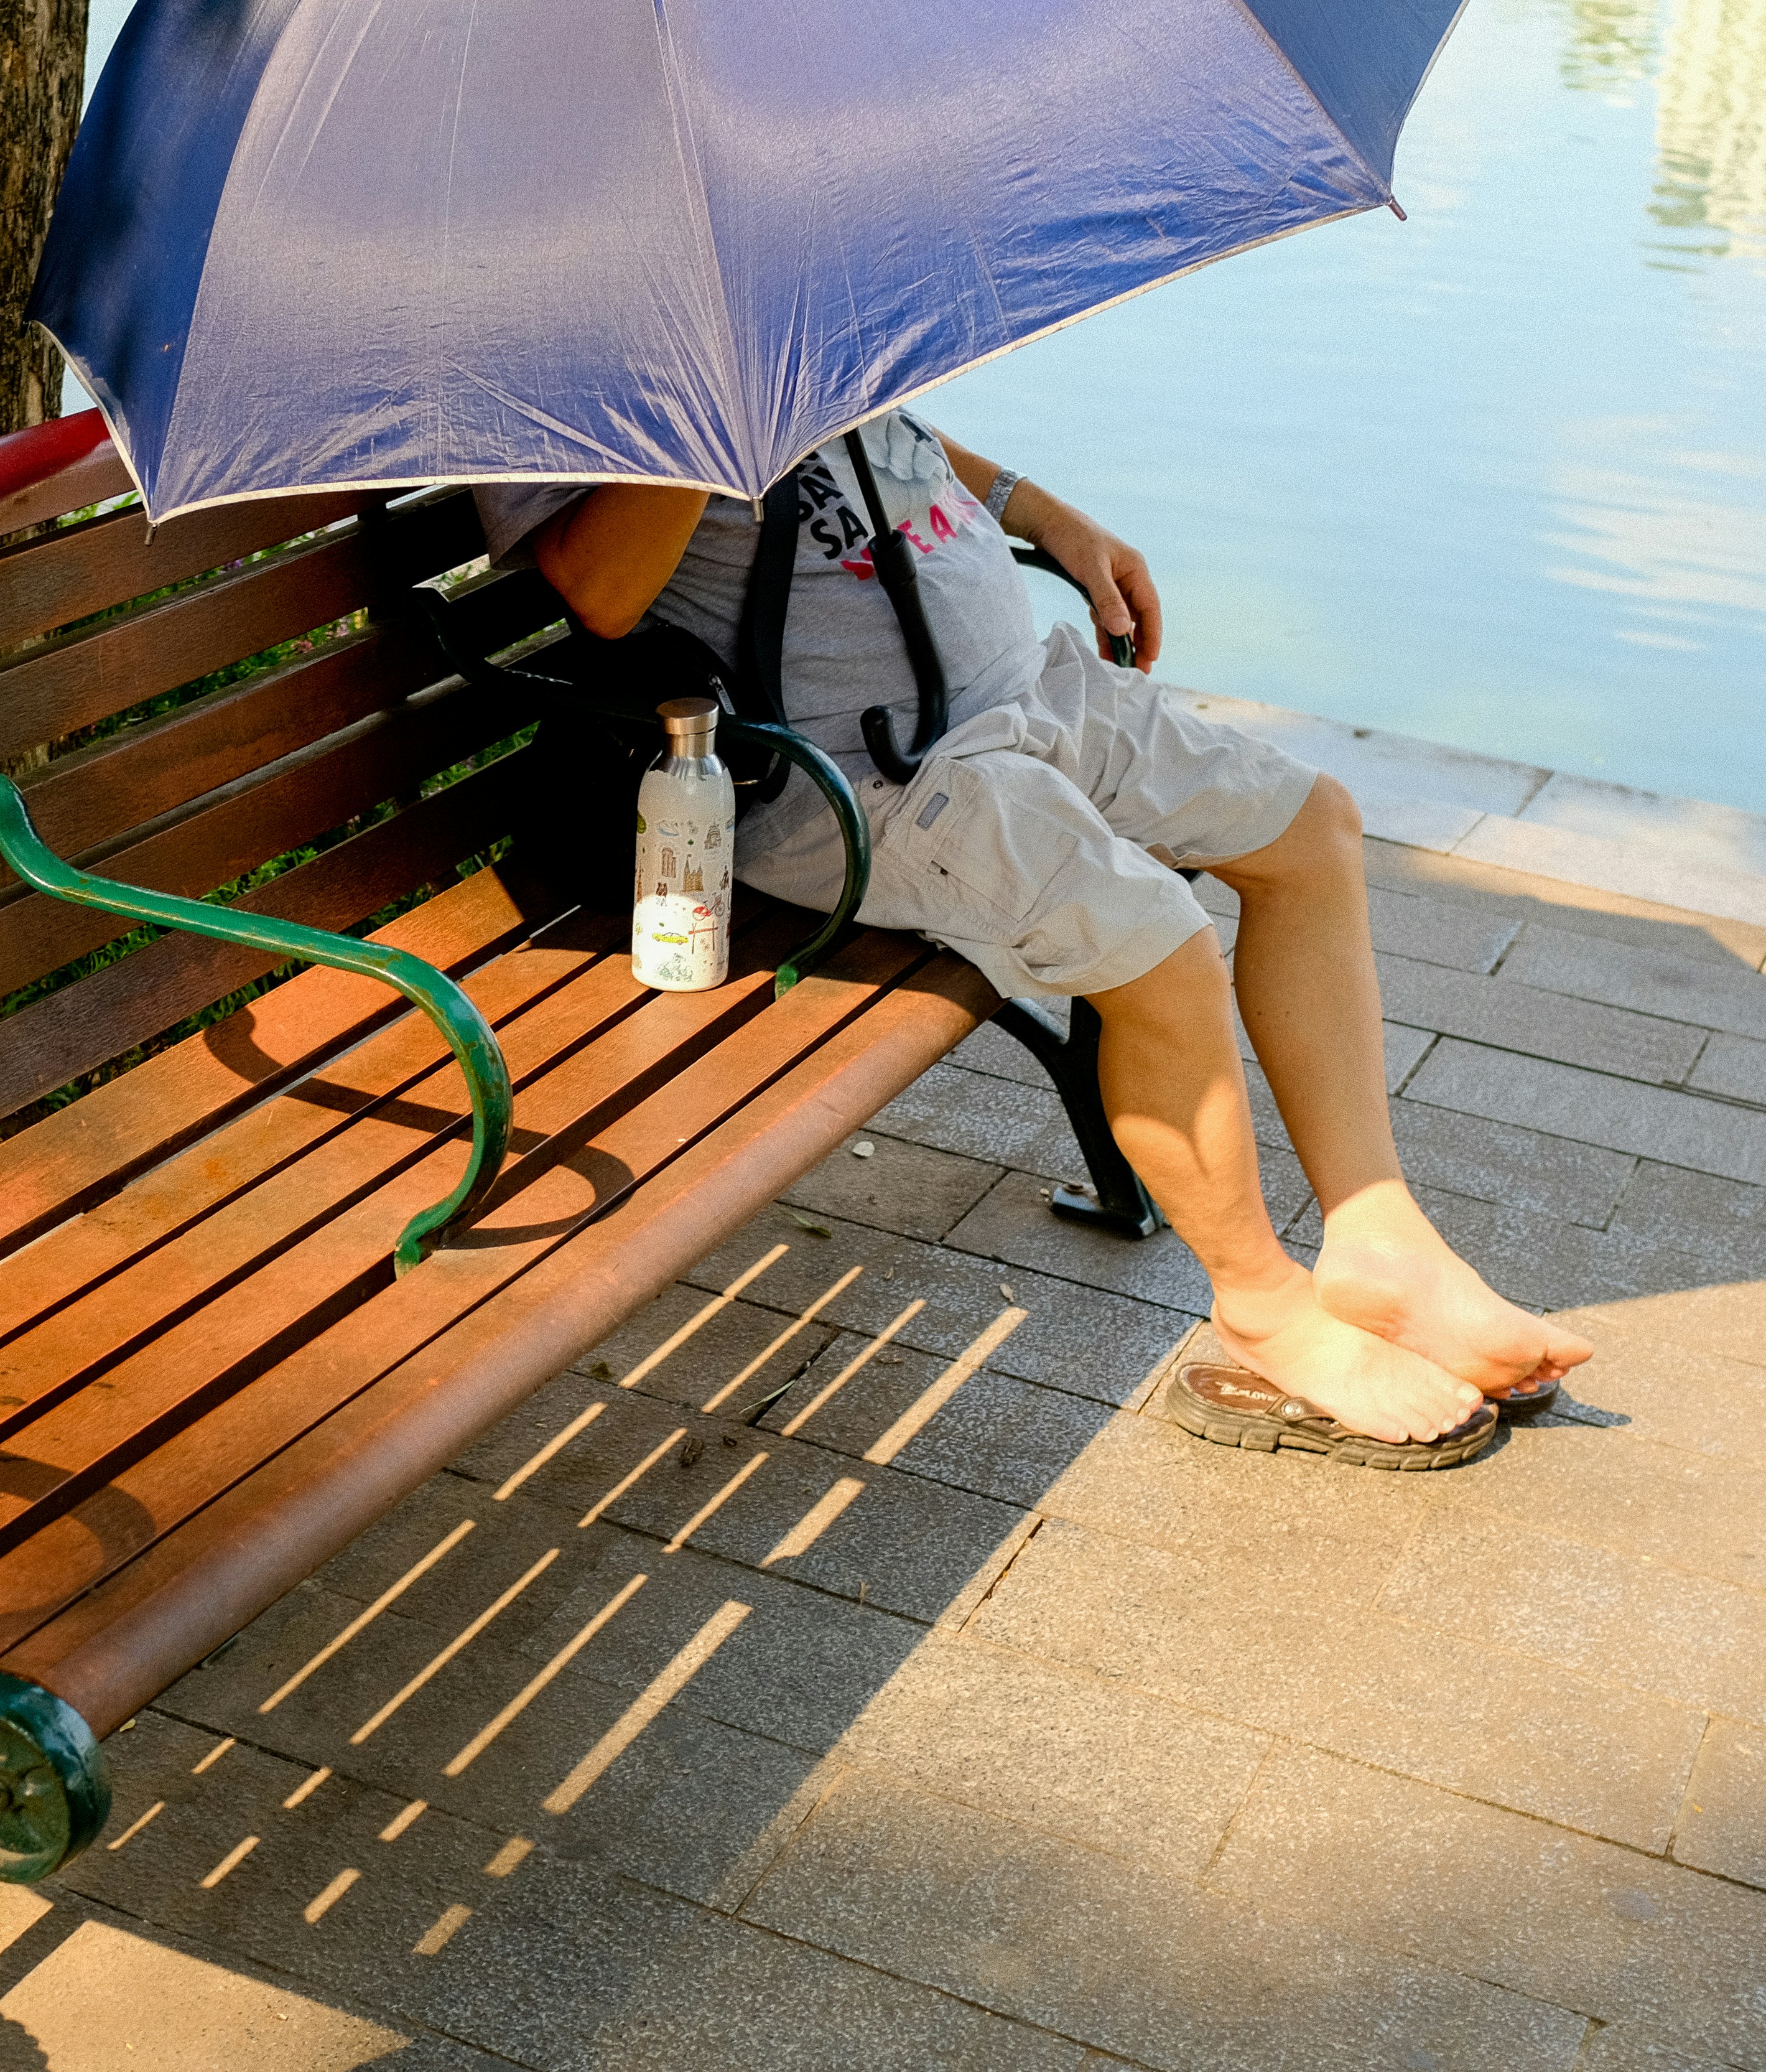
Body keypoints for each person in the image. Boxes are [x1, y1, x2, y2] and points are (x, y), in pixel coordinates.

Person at [475, 412, 1589, 1455]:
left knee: (1310, 828)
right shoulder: (569, 348)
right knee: (1156, 941)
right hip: (866, 782)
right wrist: (704, 396)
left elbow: (881, 443)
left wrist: (1037, 510)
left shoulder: (750, 260)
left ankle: (1376, 1238)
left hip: (1018, 696)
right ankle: (1262, 1310)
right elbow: (599, 590)